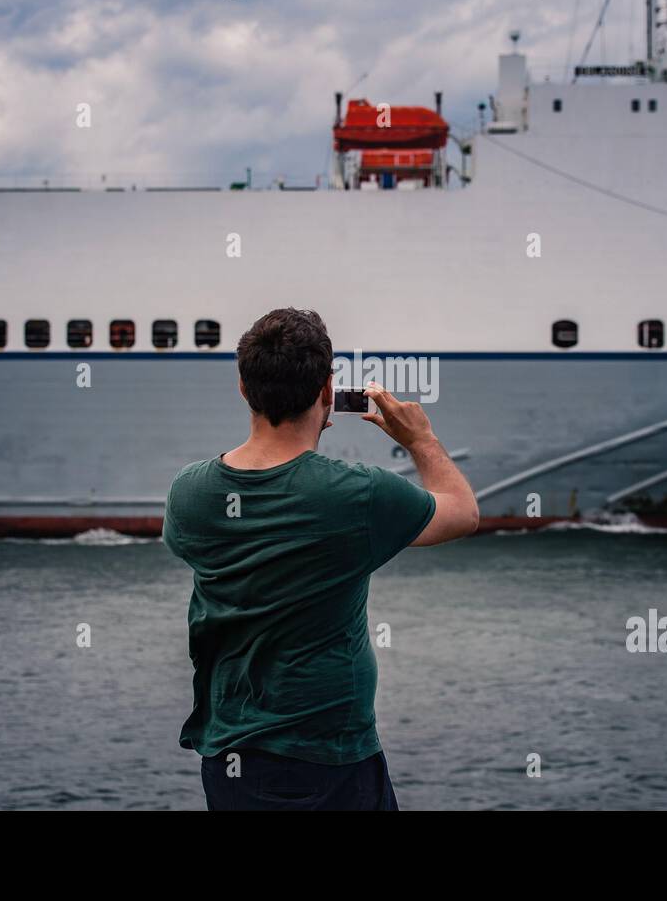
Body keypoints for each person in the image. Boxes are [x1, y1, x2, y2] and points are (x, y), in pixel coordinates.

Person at [162, 307, 479, 810]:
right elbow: (461, 513)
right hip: (327, 759)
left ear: (244, 389)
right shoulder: (356, 495)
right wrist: (421, 440)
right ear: (328, 391)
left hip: (228, 755)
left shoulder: (189, 491)